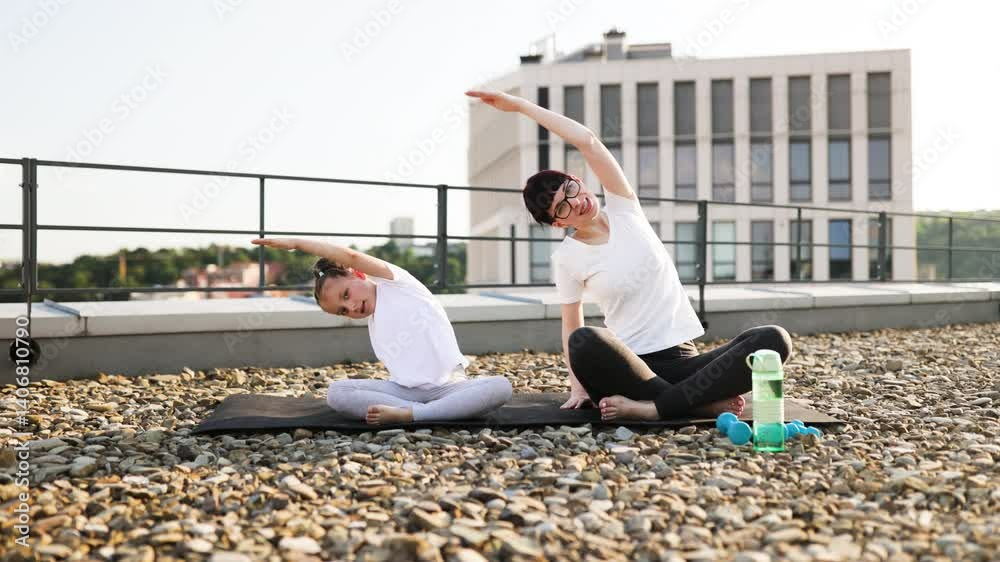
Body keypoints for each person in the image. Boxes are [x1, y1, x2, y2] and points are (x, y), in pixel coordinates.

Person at [465, 89, 792, 421]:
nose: (576, 201)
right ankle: (694, 403)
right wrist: (577, 387)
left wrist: (520, 106)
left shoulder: (624, 208)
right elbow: (571, 325)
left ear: (578, 180)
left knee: (772, 340)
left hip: (686, 362)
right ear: (558, 223)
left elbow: (588, 141)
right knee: (584, 339)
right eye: (563, 206)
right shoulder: (567, 258)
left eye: (571, 189)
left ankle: (659, 408)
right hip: (630, 368)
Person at [250, 237, 512, 425]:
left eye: (346, 294)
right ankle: (430, 412)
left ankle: (416, 415)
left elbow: (350, 256)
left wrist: (298, 244)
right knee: (337, 393)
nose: (351, 306)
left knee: (501, 387)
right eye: (343, 310)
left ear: (358, 275)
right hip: (406, 392)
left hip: (451, 388)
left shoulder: (398, 284)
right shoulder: (374, 324)